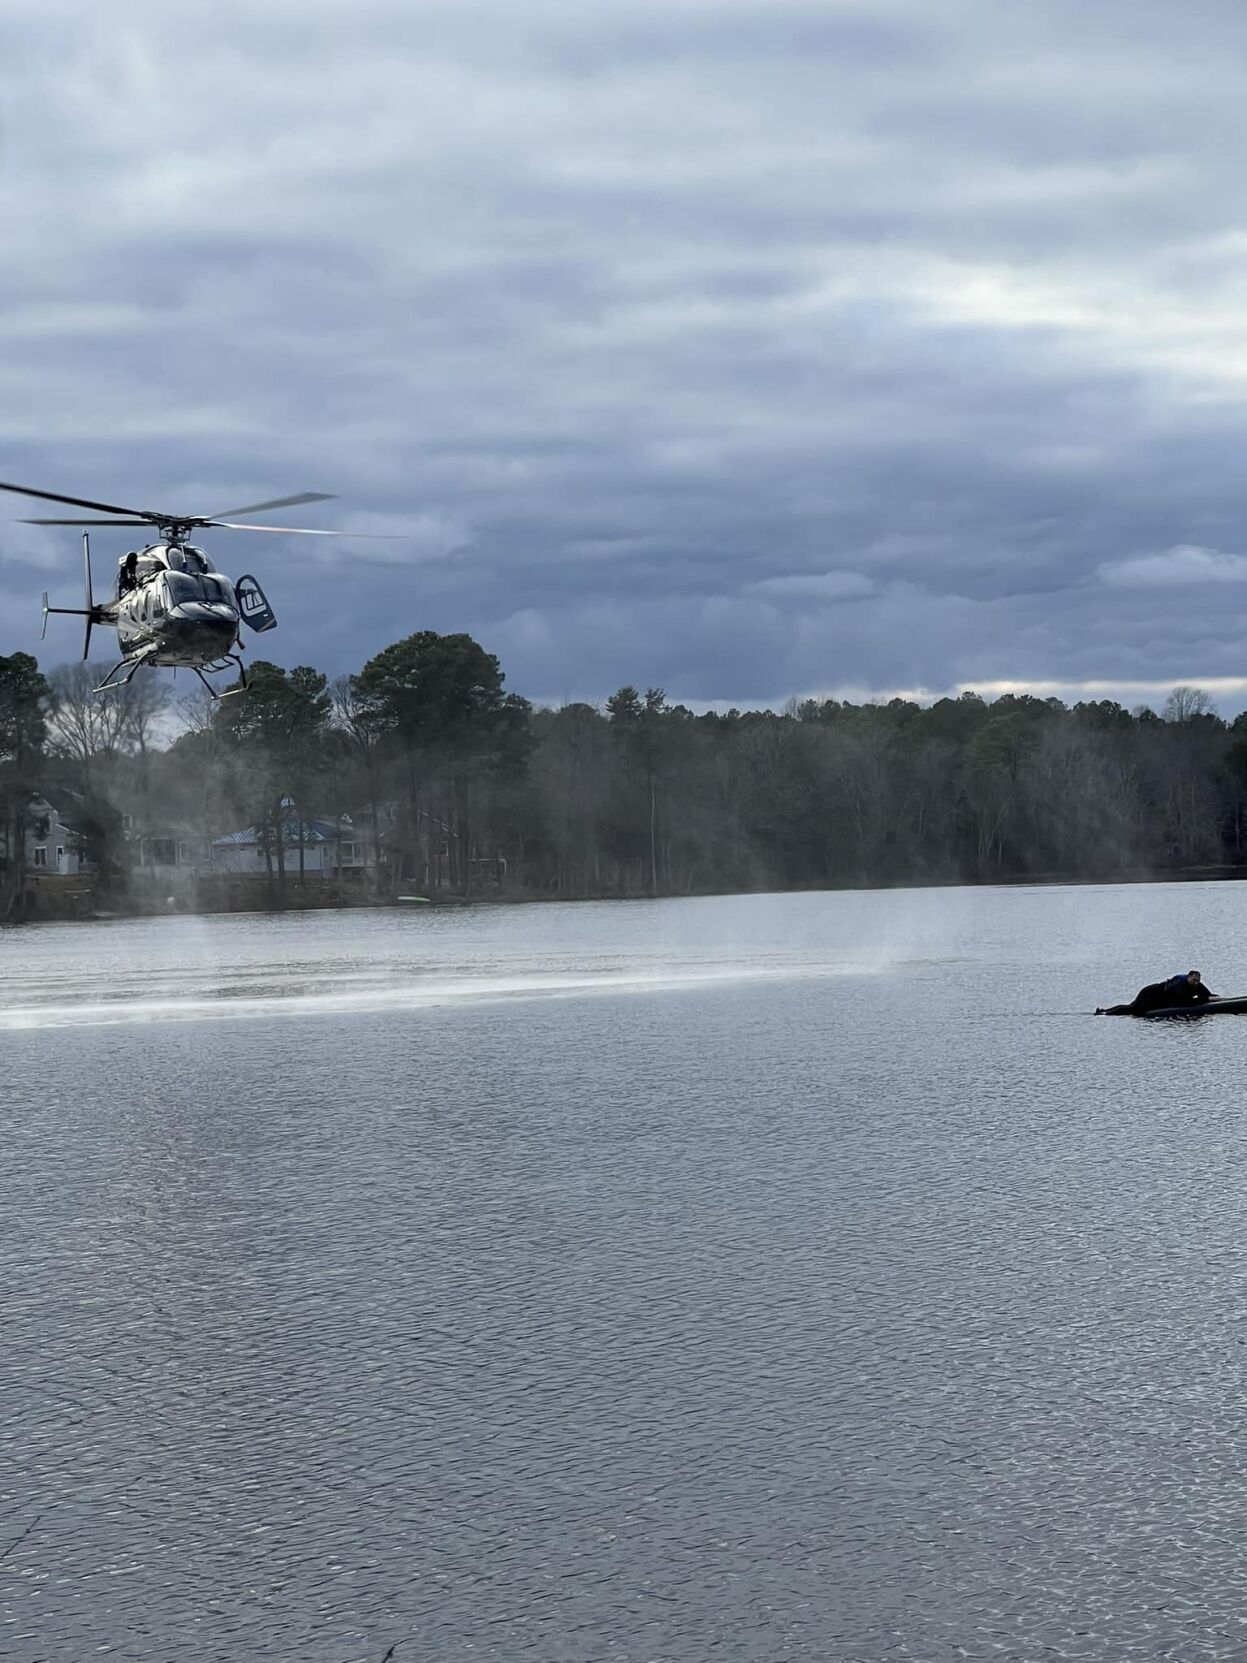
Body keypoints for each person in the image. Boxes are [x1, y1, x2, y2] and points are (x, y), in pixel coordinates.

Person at [1097, 970, 1217, 1016]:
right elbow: (1184, 1001)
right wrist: (1205, 1000)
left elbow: (1208, 995)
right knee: (1133, 1008)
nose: (1196, 983)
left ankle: (1105, 1011)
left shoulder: (1197, 985)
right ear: (1188, 977)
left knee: (1133, 1008)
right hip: (1151, 993)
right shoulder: (1178, 985)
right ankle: (1105, 1012)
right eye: (1194, 980)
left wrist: (1217, 998)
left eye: (1197, 981)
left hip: (1162, 999)